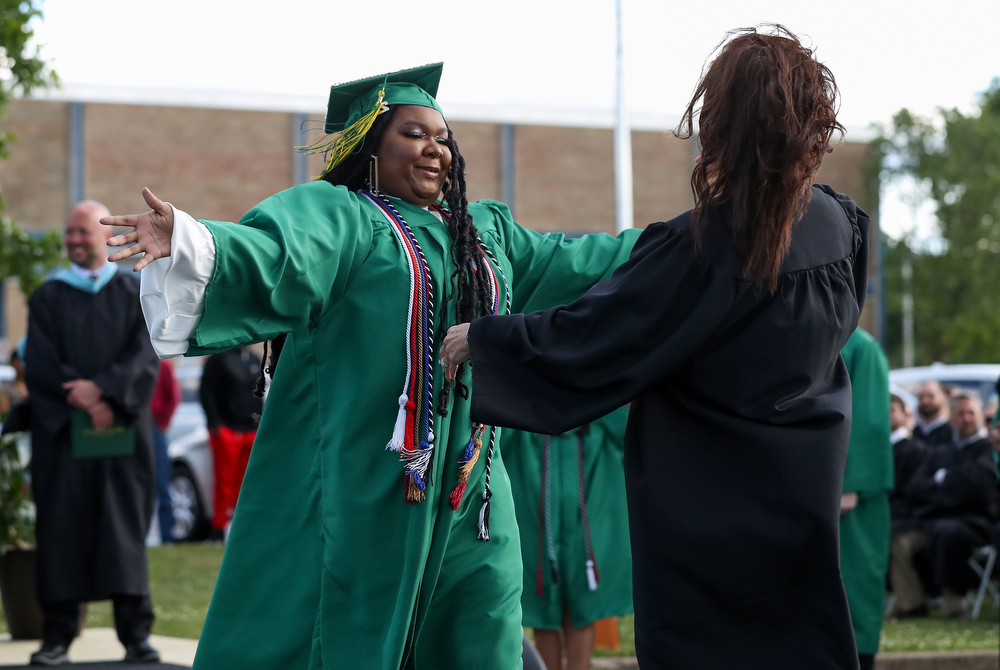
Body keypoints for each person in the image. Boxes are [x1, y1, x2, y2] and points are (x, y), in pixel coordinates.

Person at [102, 63, 640, 669]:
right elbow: (279, 251)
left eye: (442, 137)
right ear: (372, 148)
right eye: (414, 133)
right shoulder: (344, 218)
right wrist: (195, 240)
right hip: (365, 494)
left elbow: (579, 260)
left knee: (483, 639)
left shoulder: (486, 234)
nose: (434, 147)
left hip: (473, 499)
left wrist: (684, 241)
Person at [442, 25, 869, 669]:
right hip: (799, 489)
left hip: (710, 509)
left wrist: (487, 338)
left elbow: (602, 334)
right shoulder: (841, 224)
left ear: (723, 123)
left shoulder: (711, 243)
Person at [24, 201, 161, 665]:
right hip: (62, 438)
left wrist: (103, 393)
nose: (74, 240)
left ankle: (135, 636)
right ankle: (58, 635)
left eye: (82, 232)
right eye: (69, 233)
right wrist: (82, 399)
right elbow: (40, 365)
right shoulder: (46, 298)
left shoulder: (135, 293)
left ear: (105, 236)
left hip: (122, 435)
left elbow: (146, 354)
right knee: (60, 529)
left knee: (123, 530)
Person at [503, 406, 632, 670]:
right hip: (535, 508)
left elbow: (631, 432)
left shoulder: (602, 410)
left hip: (590, 516)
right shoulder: (525, 405)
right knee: (545, 609)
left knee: (583, 606)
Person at [890, 393, 999, 617]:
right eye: (960, 414)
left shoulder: (988, 450)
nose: (966, 418)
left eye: (971, 413)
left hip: (975, 523)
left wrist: (941, 481)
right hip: (933, 521)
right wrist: (952, 486)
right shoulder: (941, 451)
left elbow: (979, 485)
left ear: (981, 417)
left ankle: (955, 604)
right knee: (898, 539)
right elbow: (915, 486)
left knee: (946, 534)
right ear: (951, 418)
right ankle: (912, 604)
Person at [838, 328, 893, 670]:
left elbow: (870, 419)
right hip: (814, 483)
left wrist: (850, 482)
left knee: (853, 585)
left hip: (850, 494)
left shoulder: (861, 348)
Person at [198, 346, 262, 539]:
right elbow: (206, 391)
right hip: (228, 430)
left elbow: (259, 393)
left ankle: (242, 528)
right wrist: (216, 425)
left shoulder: (253, 358)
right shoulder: (218, 359)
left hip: (251, 429)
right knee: (224, 482)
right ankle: (217, 529)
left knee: (247, 484)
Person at [150, 358, 181, 544]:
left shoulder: (163, 365)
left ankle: (167, 536)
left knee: (162, 485)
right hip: (134, 429)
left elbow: (173, 397)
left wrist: (162, 424)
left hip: (154, 429)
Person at [889, 394, 927, 525]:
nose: (887, 414)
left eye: (892, 410)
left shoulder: (915, 449)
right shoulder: (873, 448)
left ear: (905, 415)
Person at [913, 381, 953, 446]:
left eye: (931, 396)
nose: (925, 401)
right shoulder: (913, 432)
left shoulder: (952, 432)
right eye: (921, 397)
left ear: (944, 397)